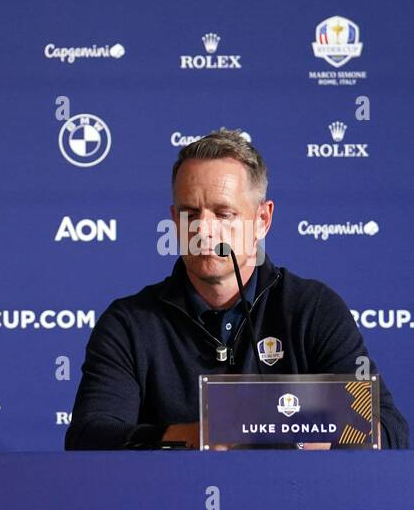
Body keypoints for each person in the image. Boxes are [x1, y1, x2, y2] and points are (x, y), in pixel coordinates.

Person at [65, 128, 407, 450]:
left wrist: (329, 433)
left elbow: (389, 430)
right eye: (189, 212)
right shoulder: (130, 323)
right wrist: (191, 437)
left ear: (262, 220)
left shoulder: (313, 309)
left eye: (224, 213)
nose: (204, 229)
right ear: (173, 221)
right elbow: (88, 436)